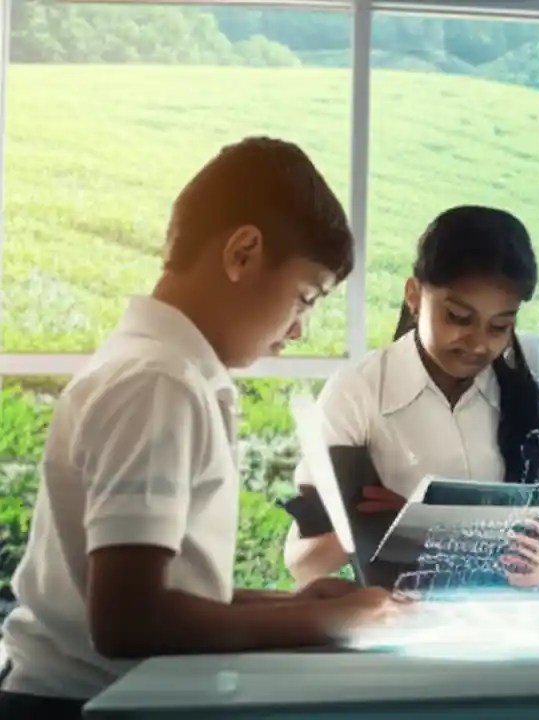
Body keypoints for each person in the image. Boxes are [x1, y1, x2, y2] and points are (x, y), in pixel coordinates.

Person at [0, 137, 399, 719]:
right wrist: (322, 620)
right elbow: (128, 621)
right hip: (86, 705)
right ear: (243, 252)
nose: (297, 331)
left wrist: (290, 604)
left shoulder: (156, 366)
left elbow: (162, 595)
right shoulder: (159, 382)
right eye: (304, 298)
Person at [283, 206, 539, 592]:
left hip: (505, 625)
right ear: (414, 295)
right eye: (459, 318)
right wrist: (391, 529)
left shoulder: (526, 389)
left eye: (500, 326)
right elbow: (303, 563)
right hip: (401, 631)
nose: (479, 343)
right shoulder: (357, 394)